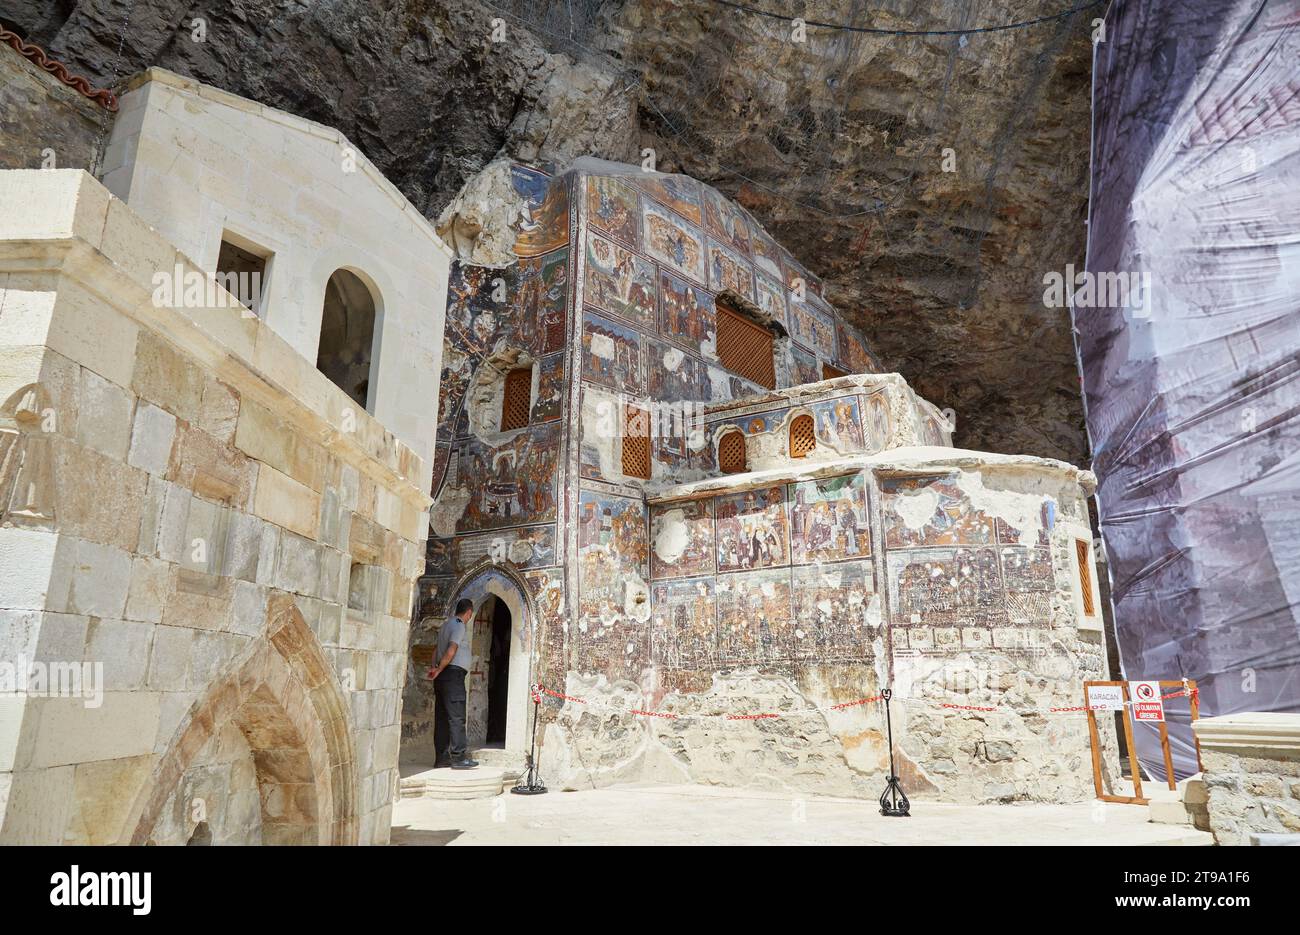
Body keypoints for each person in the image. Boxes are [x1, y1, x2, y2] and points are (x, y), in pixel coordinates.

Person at [427, 598, 478, 770]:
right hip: (452, 675)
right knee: (456, 716)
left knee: (442, 718)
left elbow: (436, 649)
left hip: (443, 676)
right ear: (469, 612)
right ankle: (458, 757)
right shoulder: (459, 625)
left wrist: (434, 667)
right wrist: (441, 668)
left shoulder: (446, 625)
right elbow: (452, 648)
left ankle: (441, 758)